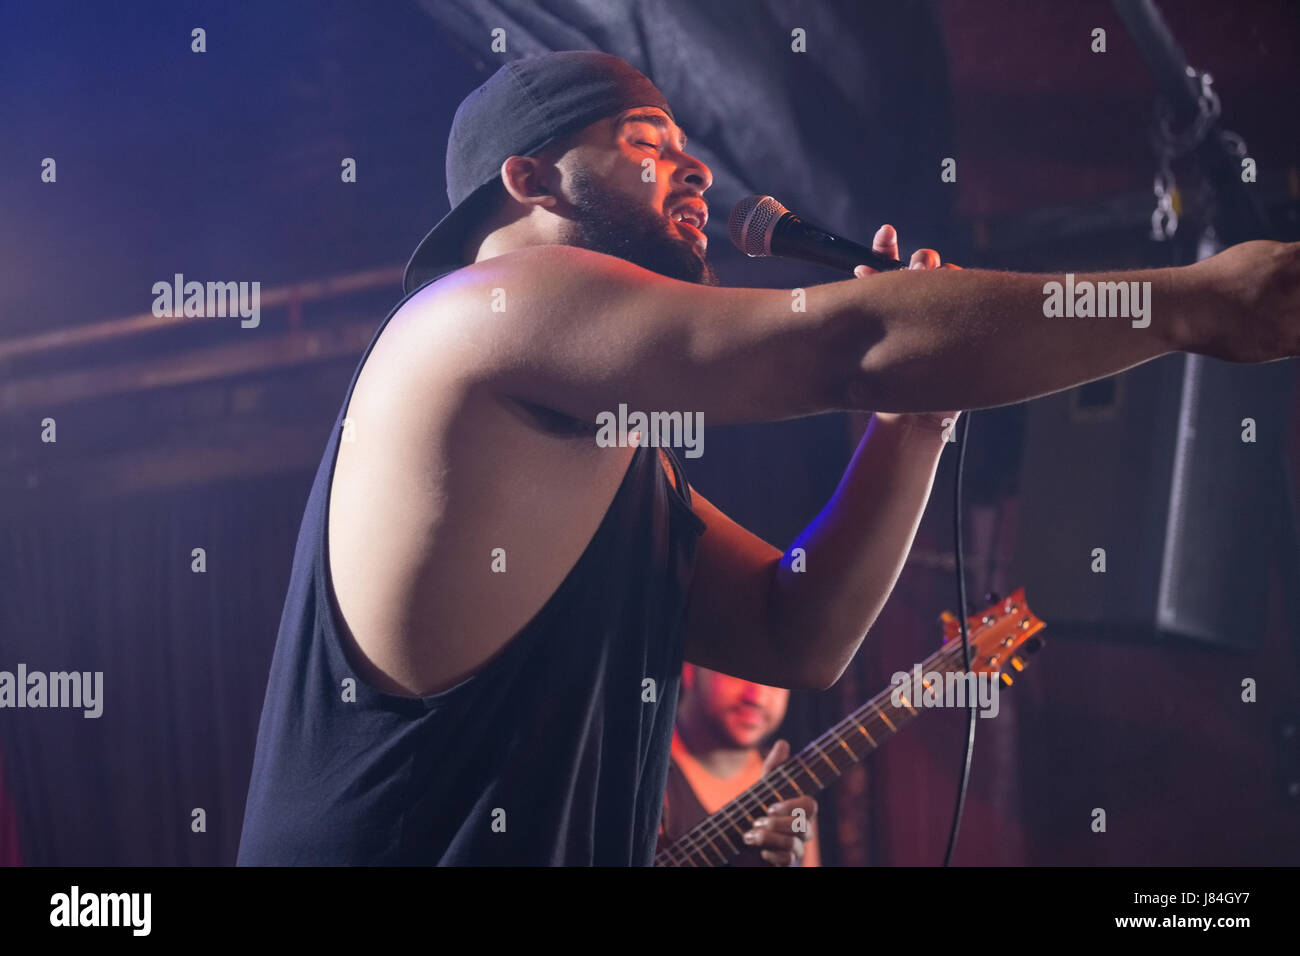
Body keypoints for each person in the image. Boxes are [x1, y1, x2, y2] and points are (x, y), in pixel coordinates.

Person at [238, 51, 1300, 866]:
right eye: (648, 141)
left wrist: (913, 421)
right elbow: (845, 344)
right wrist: (1196, 303)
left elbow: (805, 630)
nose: (694, 164)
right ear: (532, 178)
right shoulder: (478, 313)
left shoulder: (607, 450)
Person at [660, 664, 821, 867]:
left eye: (777, 680)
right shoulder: (640, 769)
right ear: (690, 670)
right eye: (740, 673)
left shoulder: (791, 787)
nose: (757, 698)